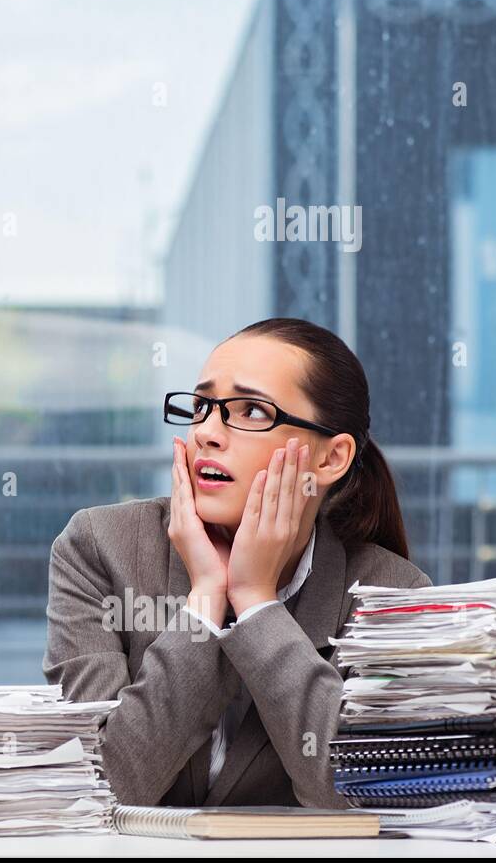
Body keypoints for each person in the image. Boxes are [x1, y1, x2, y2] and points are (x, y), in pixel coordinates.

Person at [44, 317, 431, 808]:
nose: (207, 432)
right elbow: (100, 785)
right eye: (203, 406)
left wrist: (255, 604)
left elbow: (356, 793)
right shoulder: (99, 548)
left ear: (331, 459)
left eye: (250, 411)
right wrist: (206, 598)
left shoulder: (392, 594)